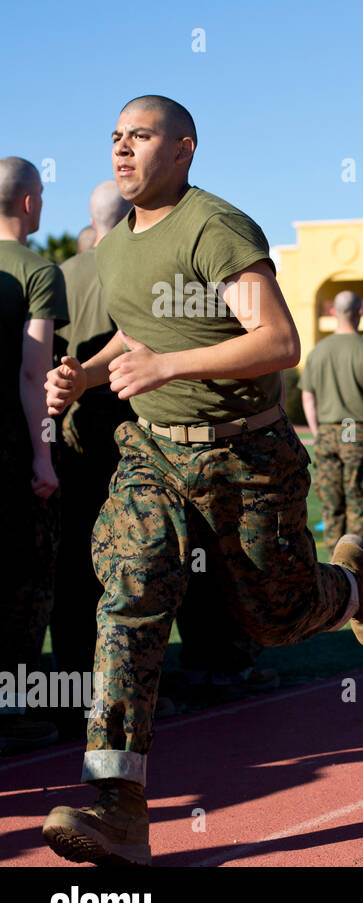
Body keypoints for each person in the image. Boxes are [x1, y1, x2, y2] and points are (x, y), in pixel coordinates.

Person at [40, 96, 363, 866]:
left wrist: (168, 364)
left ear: (184, 148)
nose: (122, 149)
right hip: (154, 452)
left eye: (141, 135)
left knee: (274, 616)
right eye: (115, 137)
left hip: (246, 457)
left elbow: (278, 340)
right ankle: (118, 802)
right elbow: (141, 327)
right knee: (128, 596)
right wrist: (89, 375)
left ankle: (351, 584)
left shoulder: (216, 228)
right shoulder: (115, 243)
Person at [49, 181, 131, 687]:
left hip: (65, 426)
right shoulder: (131, 271)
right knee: (126, 561)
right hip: (122, 428)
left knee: (72, 559)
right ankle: (116, 682)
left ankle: (73, 677)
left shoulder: (58, 274)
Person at [0, 156, 66, 754]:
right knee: (25, 584)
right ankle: (13, 708)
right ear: (28, 203)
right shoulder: (39, 272)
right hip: (12, 449)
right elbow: (33, 372)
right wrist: (43, 458)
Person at [300, 290, 363, 551]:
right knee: (361, 502)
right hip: (359, 432)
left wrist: (317, 431)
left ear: (333, 313)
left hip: (328, 432)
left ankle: (335, 563)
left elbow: (308, 398)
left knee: (332, 503)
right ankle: (356, 563)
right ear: (359, 313)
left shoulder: (317, 352)